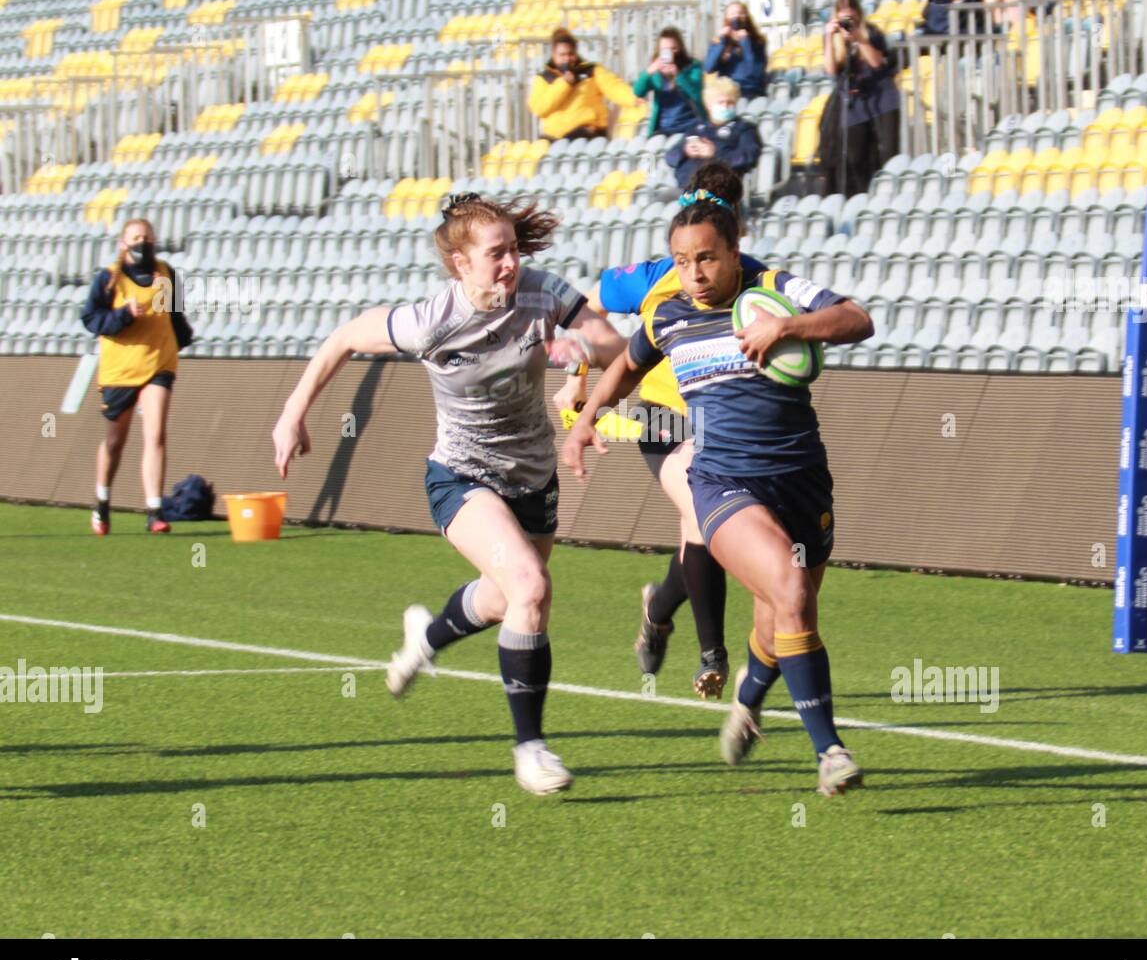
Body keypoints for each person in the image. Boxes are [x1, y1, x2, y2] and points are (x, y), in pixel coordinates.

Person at [271, 193, 625, 796]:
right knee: (532, 587)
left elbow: (615, 346)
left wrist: (578, 356)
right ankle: (530, 749)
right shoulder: (430, 321)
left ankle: (426, 639)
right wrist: (292, 413)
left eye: (515, 248)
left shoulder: (544, 292)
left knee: (504, 598)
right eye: (497, 253)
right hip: (461, 476)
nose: (512, 262)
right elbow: (343, 340)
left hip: (534, 478)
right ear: (461, 263)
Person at [562, 195, 876, 796]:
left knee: (784, 616)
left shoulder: (775, 289)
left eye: (707, 258)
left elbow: (857, 319)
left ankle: (749, 701)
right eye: (682, 261)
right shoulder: (668, 316)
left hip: (801, 477)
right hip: (722, 479)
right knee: (788, 589)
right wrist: (586, 418)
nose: (695, 273)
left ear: (735, 251)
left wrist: (787, 326)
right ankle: (830, 751)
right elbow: (627, 366)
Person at [572, 163, 766, 700]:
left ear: (732, 235)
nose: (695, 268)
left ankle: (658, 610)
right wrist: (578, 372)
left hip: (725, 422)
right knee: (708, 520)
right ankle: (713, 656)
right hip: (663, 418)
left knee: (702, 532)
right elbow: (584, 305)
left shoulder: (756, 281)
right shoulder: (659, 274)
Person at [81, 218, 193, 535]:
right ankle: (102, 501)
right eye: (135, 238)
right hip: (120, 369)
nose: (142, 242)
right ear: (123, 243)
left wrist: (183, 338)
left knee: (155, 432)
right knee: (116, 441)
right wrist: (123, 315)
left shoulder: (166, 274)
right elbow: (90, 319)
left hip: (159, 362)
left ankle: (154, 510)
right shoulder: (109, 279)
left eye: (147, 237)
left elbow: (173, 315)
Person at [819, 0, 900, 197]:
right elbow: (831, 70)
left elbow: (876, 63)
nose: (847, 24)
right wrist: (830, 36)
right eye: (843, 20)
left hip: (881, 98)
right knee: (855, 154)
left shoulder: (870, 33)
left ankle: (888, 193)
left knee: (888, 152)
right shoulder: (835, 39)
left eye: (851, 20)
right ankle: (861, 194)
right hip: (854, 101)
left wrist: (859, 38)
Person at [527, 28, 638, 141]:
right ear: (553, 55)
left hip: (588, 134)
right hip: (555, 140)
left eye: (570, 54)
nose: (567, 59)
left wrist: (634, 98)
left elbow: (614, 88)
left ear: (576, 53)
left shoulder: (591, 71)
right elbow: (539, 108)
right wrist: (564, 84)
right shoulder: (544, 78)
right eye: (562, 55)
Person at [663, 75, 762, 191]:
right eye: (721, 102)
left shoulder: (744, 128)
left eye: (730, 103)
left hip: (720, 190)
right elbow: (670, 157)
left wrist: (715, 155)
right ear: (709, 105)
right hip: (686, 188)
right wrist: (685, 150)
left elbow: (748, 157)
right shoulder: (695, 129)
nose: (725, 106)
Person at [632, 27, 706, 137]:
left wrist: (679, 76)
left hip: (690, 124)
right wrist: (648, 72)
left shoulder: (693, 67)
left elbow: (696, 95)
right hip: (664, 128)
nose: (669, 53)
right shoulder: (656, 72)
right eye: (664, 50)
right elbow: (638, 91)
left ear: (680, 48)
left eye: (673, 48)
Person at [703, 2, 768, 100]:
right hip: (727, 92)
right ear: (726, 18)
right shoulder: (720, 41)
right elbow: (708, 68)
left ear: (746, 17)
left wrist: (745, 43)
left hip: (749, 91)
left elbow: (754, 71)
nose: (737, 16)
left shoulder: (757, 41)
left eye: (741, 13)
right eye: (733, 14)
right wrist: (722, 42)